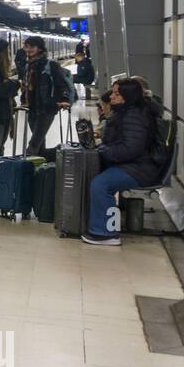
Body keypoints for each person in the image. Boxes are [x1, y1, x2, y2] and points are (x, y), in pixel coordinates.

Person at [82, 78, 161, 246]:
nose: (111, 96)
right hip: (134, 164)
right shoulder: (126, 111)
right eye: (113, 92)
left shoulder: (134, 116)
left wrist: (103, 150)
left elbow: (131, 149)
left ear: (128, 96)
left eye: (116, 93)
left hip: (139, 168)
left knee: (101, 184)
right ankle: (98, 223)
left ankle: (106, 233)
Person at [20, 35, 73, 156]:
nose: (28, 50)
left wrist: (62, 99)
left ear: (39, 48)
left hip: (47, 109)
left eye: (32, 47)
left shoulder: (51, 65)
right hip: (32, 108)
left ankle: (25, 168)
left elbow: (61, 84)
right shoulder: (28, 65)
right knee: (40, 145)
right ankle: (47, 165)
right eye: (26, 47)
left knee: (34, 143)